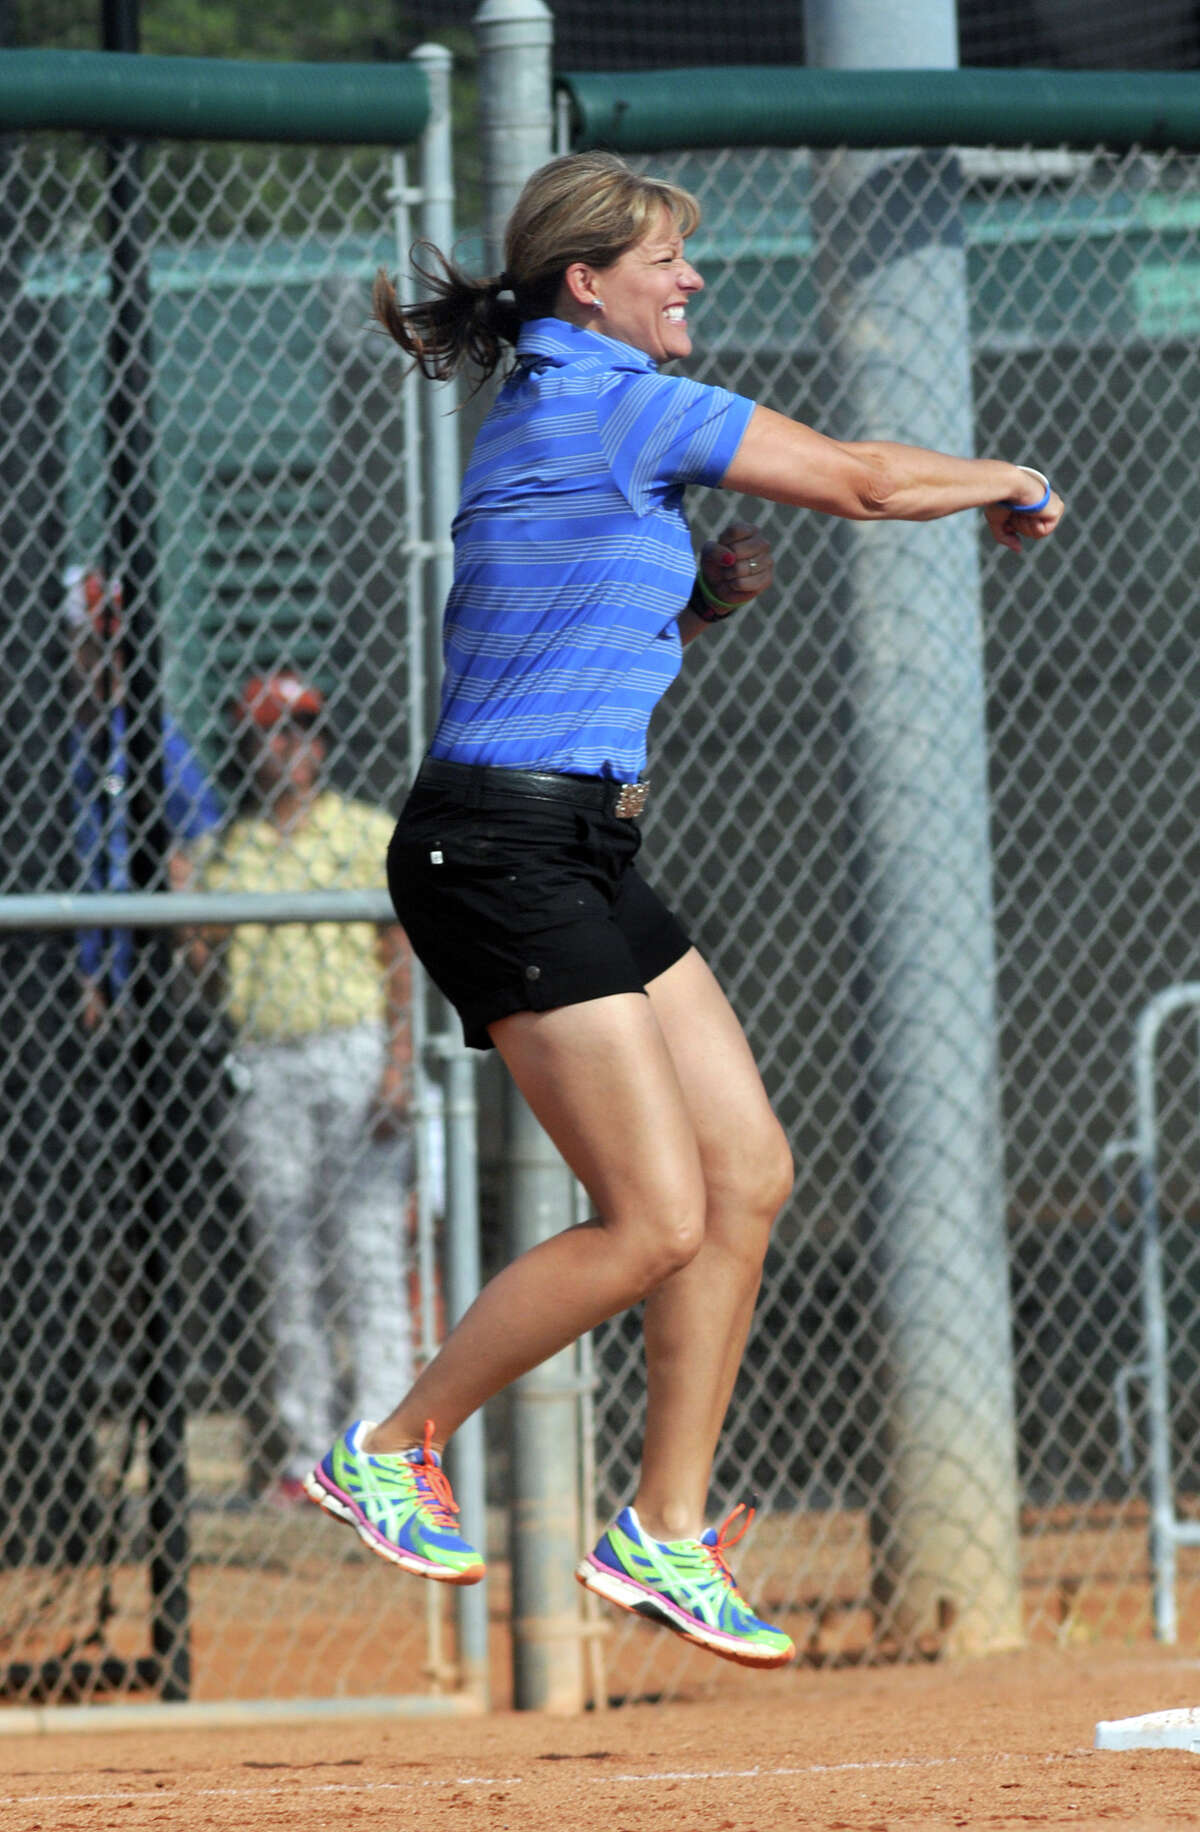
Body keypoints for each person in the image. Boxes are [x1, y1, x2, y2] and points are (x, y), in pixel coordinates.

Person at [302, 151, 1064, 1668]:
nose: (693, 279)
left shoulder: (563, 410)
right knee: (652, 1218)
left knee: (748, 1175)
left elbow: (554, 619)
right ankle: (389, 1447)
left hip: (573, 838)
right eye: (667, 257)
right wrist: (1013, 478)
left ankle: (661, 1529)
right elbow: (862, 478)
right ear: (590, 282)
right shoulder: (616, 399)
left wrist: (696, 601)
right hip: (502, 847)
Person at [194, 672, 416, 1502]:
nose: (290, 747)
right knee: (289, 1264)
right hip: (264, 1060)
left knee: (366, 1252)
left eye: (303, 730)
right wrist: (191, 922)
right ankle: (308, 1451)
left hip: (352, 1048)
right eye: (271, 732)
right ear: (247, 747)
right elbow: (211, 978)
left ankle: (384, 1448)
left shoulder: (362, 833)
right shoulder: (226, 849)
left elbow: (398, 953)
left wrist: (397, 1065)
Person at [65, 565, 222, 1023]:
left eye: (115, 645)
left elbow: (200, 834)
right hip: (53, 951)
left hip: (133, 959)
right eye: (93, 643)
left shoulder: (146, 735)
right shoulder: (38, 738)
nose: (110, 659)